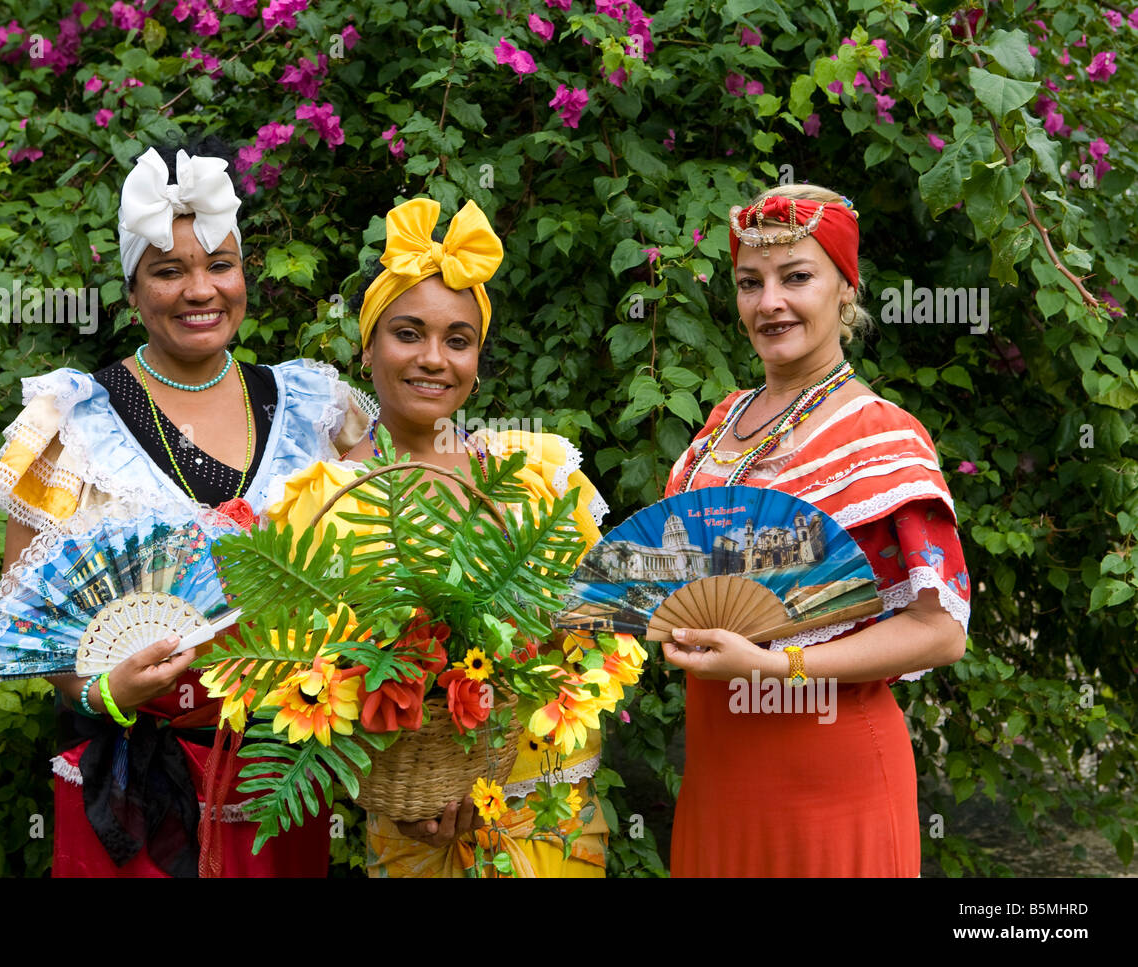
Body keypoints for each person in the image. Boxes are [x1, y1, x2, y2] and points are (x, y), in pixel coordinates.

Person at [0, 136, 367, 877]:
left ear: (243, 273)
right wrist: (103, 688)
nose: (201, 290)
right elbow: (34, 625)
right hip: (131, 789)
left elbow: (376, 582)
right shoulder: (75, 424)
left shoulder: (316, 411)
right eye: (169, 270)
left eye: (220, 264)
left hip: (278, 781)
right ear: (132, 289)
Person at [258, 197, 612, 876]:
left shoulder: (534, 476)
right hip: (413, 832)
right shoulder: (320, 502)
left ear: (478, 358)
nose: (433, 359)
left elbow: (598, 637)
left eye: (458, 339)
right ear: (367, 347)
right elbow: (294, 688)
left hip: (550, 825)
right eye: (408, 332)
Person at [661, 184, 970, 877]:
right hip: (718, 773)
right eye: (750, 282)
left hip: (832, 779)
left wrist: (775, 666)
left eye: (796, 276)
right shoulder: (720, 426)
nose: (769, 301)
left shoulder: (880, 436)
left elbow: (940, 628)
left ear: (844, 288)